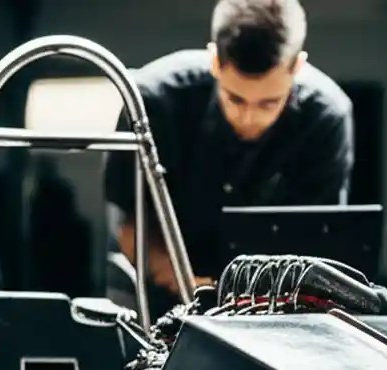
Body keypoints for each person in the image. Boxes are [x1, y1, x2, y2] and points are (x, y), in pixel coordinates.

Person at [102, 0, 355, 315]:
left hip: (273, 300)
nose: (249, 118)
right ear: (215, 62)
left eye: (269, 103)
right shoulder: (151, 102)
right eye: (235, 99)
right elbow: (130, 223)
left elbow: (319, 239)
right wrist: (190, 287)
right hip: (153, 288)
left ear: (297, 67)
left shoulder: (326, 118)